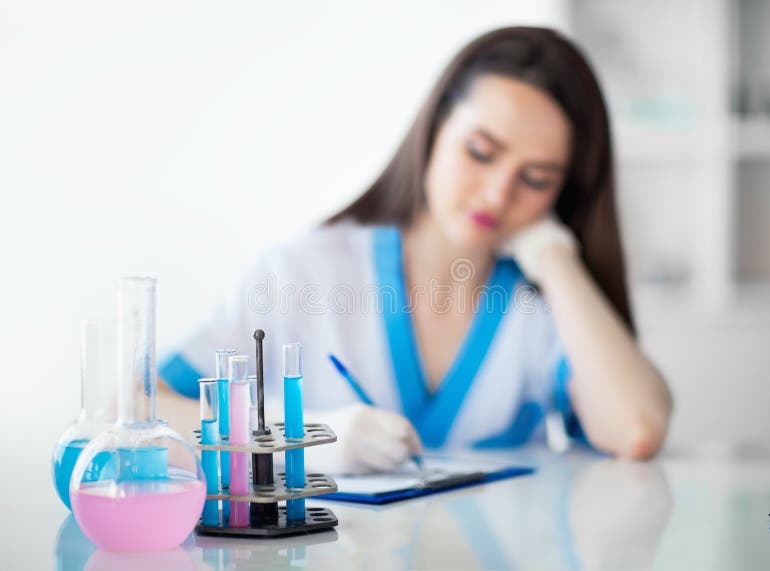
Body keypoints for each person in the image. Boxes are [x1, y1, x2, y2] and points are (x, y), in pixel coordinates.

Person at [158, 26, 672, 473]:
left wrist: (557, 257)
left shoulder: (541, 310)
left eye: (536, 179)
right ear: (433, 131)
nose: (498, 194)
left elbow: (636, 429)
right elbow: (144, 408)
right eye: (480, 153)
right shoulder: (303, 272)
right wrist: (306, 438)